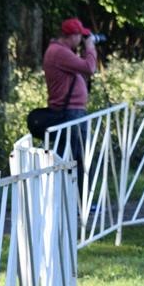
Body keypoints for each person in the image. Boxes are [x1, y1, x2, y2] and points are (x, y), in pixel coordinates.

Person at [42, 17, 100, 177]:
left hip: (71, 113)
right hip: (70, 114)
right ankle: (79, 193)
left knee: (74, 160)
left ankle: (75, 193)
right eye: (80, 36)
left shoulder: (60, 51)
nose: (82, 39)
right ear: (72, 35)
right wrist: (90, 47)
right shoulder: (59, 52)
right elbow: (89, 68)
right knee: (78, 161)